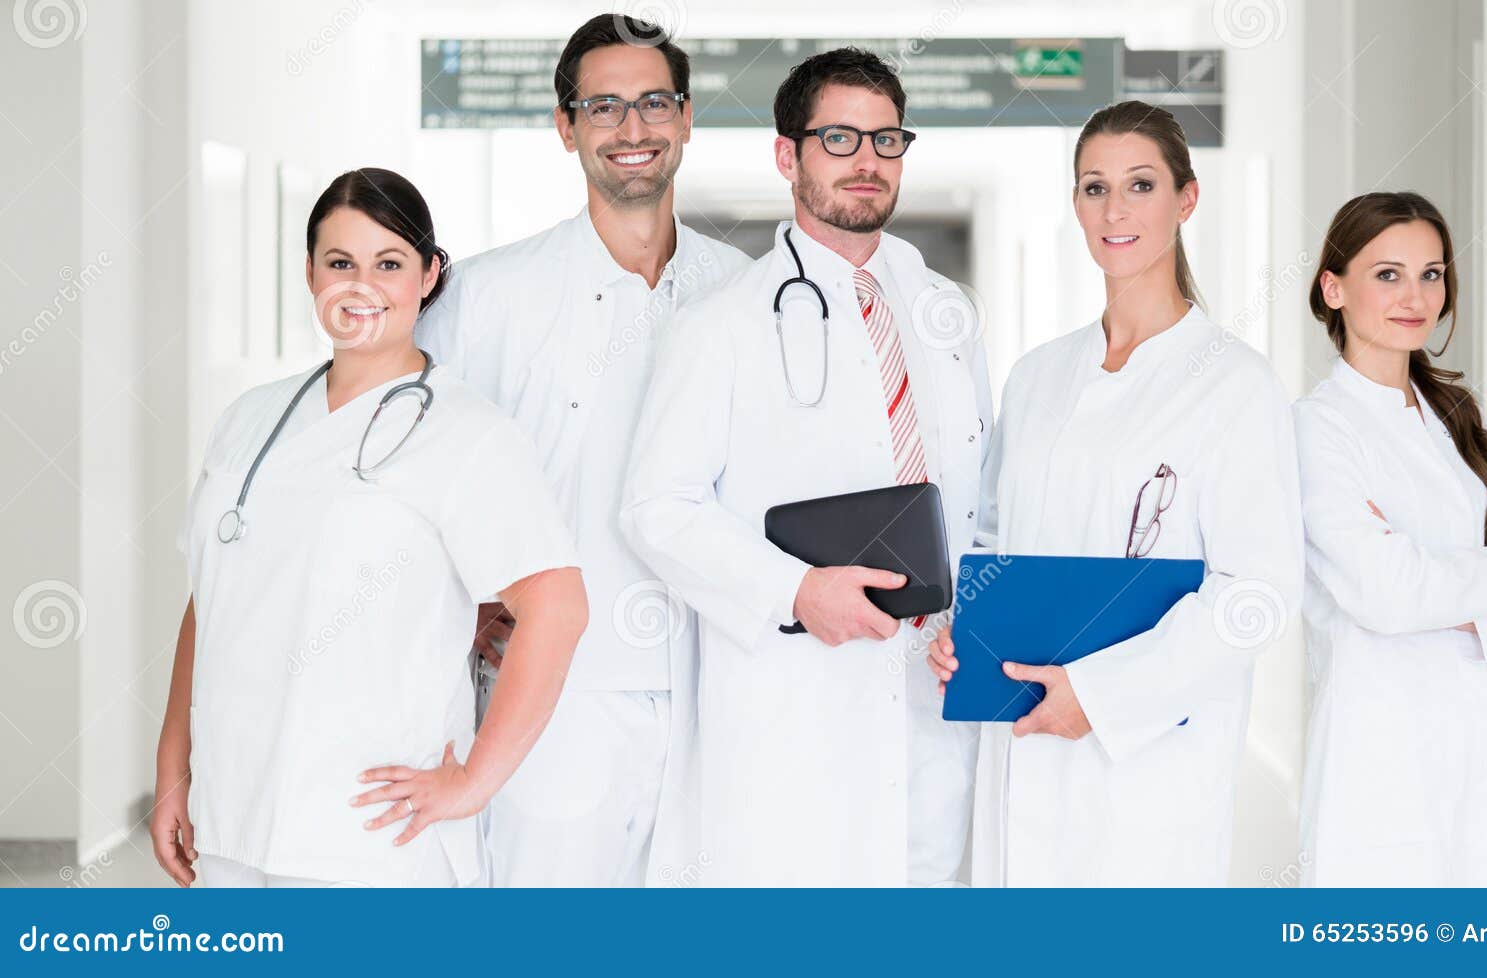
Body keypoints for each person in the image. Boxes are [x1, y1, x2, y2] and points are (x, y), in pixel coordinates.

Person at [150, 168, 587, 888]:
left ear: (429, 274)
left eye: (389, 264)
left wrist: (474, 781)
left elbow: (558, 607)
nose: (363, 285)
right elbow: (211, 599)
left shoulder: (467, 432)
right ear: (311, 273)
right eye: (340, 263)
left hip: (370, 841)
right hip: (230, 818)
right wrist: (173, 771)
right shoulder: (250, 419)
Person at [621, 47, 991, 886]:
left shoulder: (946, 317)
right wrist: (795, 591)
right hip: (795, 710)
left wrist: (981, 616)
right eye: (839, 138)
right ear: (788, 155)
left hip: (934, 697)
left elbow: (977, 495)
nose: (867, 161)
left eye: (887, 140)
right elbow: (656, 507)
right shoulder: (722, 327)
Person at [927, 100, 1304, 886]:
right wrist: (960, 629)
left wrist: (1102, 697)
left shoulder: (1234, 384)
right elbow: (994, 543)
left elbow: (1257, 593)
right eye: (1095, 187)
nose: (1115, 209)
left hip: (1147, 766)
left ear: (1186, 199)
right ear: (1075, 204)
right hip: (1019, 733)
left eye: (1140, 184)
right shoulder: (1036, 376)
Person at [415, 14, 749, 887]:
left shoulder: (745, 292)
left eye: (652, 104)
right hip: (558, 703)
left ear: (684, 119)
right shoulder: (489, 296)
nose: (631, 130)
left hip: (721, 689)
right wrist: (466, 604)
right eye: (604, 107)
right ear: (565, 127)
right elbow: (414, 474)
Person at [1295, 191, 1487, 886]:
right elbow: (1386, 595)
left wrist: (1457, 583)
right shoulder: (1316, 430)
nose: (1414, 295)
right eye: (1387, 274)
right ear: (1334, 287)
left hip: (1481, 738)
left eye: (1432, 273)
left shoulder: (1462, 426)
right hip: (1378, 745)